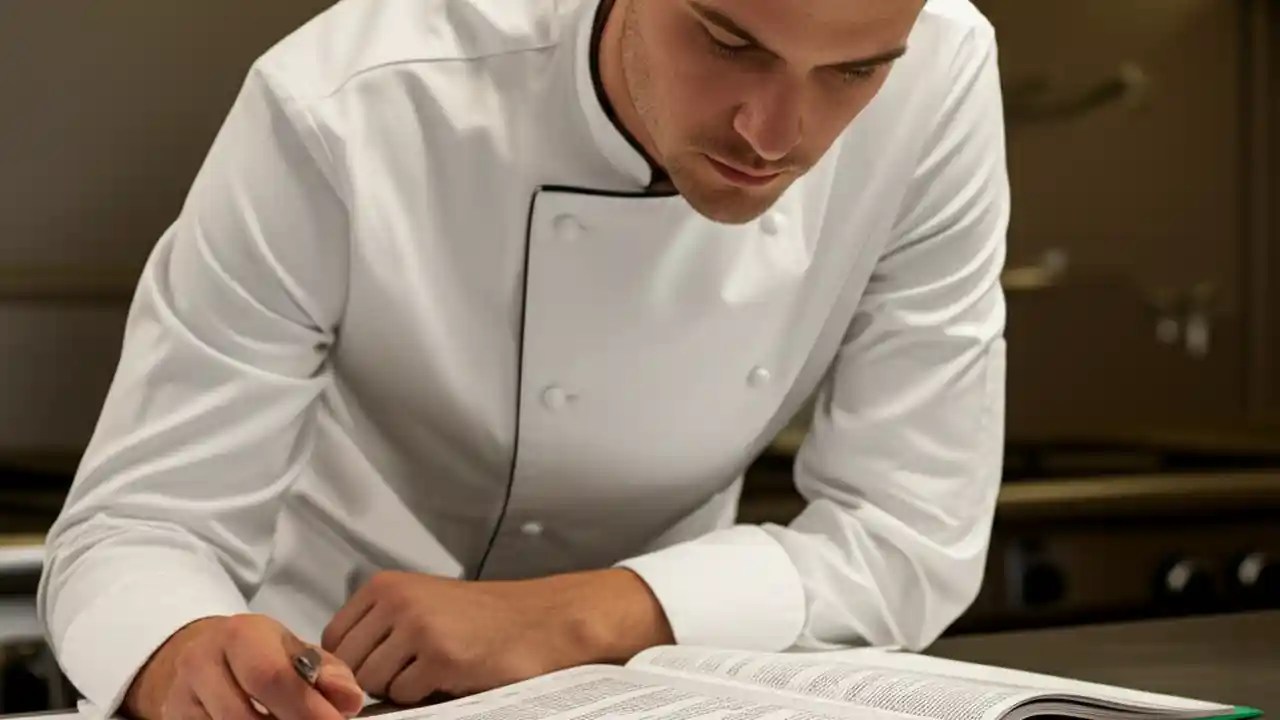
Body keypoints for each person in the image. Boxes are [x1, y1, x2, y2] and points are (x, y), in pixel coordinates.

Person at [38, 0, 1010, 716]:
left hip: (667, 685)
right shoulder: (344, 105)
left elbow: (912, 532)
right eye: (726, 43)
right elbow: (135, 529)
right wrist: (182, 650)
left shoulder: (943, 72)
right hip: (316, 687)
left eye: (853, 73)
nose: (773, 136)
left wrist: (595, 613)